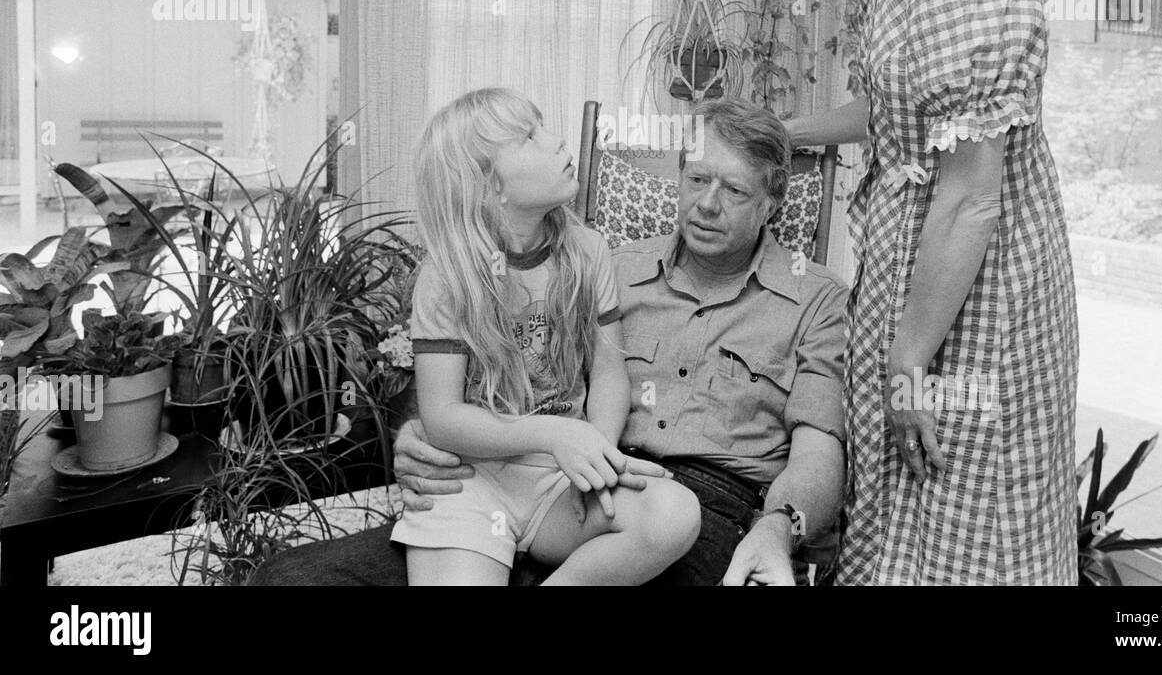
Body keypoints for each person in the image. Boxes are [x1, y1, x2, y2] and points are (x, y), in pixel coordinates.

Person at [742, 0, 1080, 584]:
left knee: (967, 539)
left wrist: (907, 360)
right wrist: (786, 130)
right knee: (914, 536)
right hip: (930, 304)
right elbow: (903, 106)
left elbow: (970, 194)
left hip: (971, 316)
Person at [248, 98, 848, 586]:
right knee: (293, 579)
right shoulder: (608, 260)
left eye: (736, 192)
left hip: (699, 505)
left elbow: (819, 453)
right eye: (695, 179)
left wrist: (780, 525)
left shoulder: (817, 299)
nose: (707, 204)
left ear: (773, 203)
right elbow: (482, 379)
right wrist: (421, 433)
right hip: (538, 476)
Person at [393, 88, 700, 584]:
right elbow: (443, 418)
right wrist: (558, 433)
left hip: (561, 486)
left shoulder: (587, 251)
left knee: (674, 513)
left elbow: (607, 375)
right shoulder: (446, 277)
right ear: (489, 186)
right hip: (469, 484)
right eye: (531, 137)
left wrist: (594, 458)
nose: (558, 143)